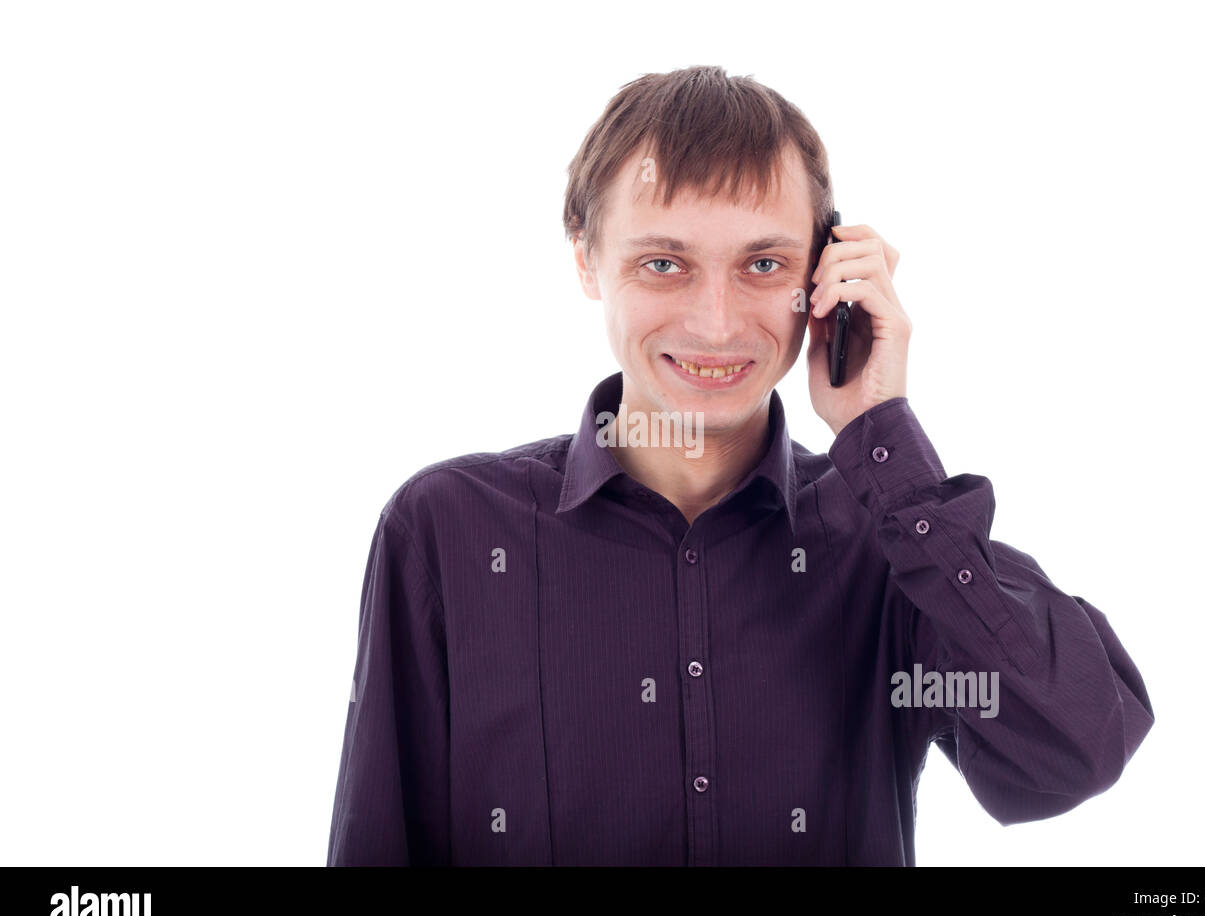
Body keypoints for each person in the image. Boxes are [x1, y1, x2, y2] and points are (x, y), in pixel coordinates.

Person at [326, 65, 1154, 866]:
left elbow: (1077, 747)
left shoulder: (888, 544)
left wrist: (882, 437)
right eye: (663, 263)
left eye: (764, 265)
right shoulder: (448, 531)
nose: (717, 324)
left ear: (825, 276)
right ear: (585, 259)